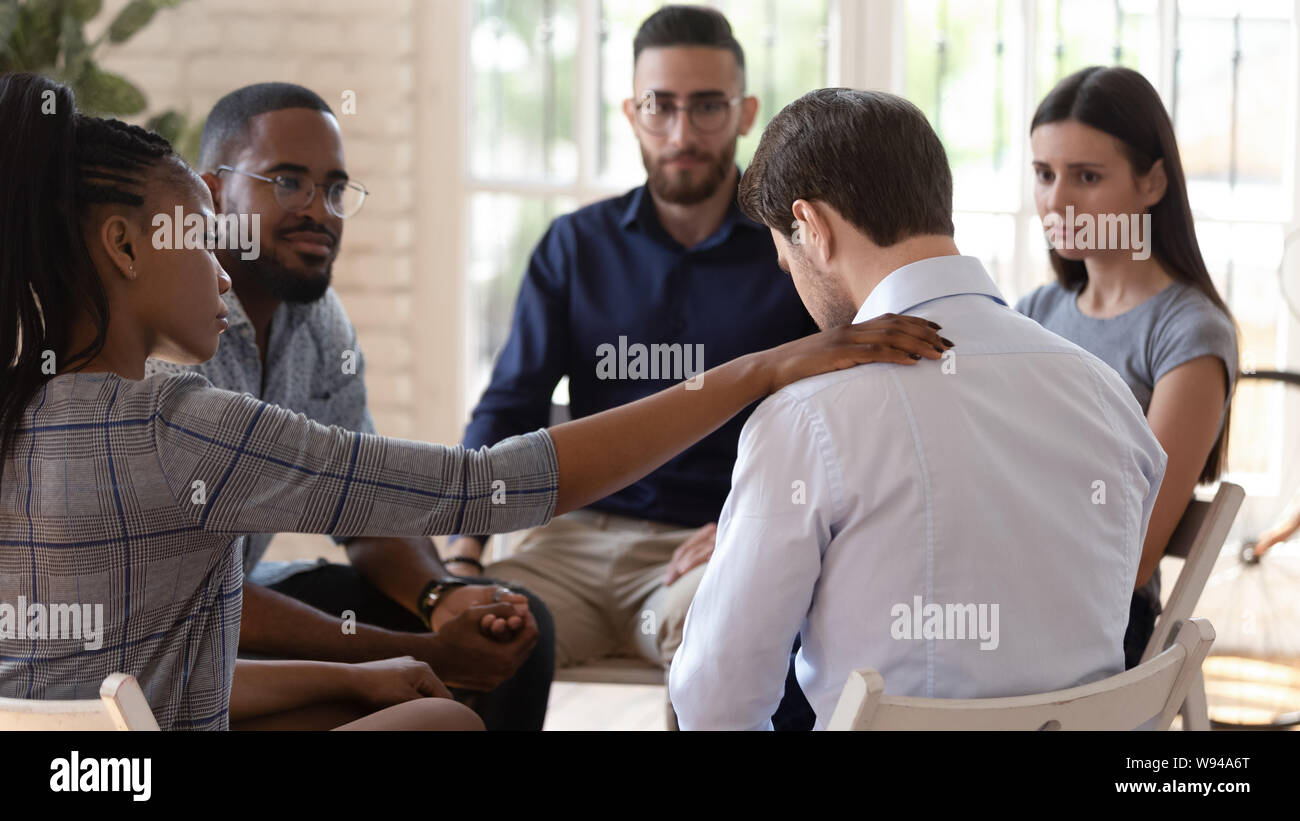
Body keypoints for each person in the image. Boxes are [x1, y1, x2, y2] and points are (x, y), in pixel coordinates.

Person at [0, 72, 948, 730]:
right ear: (125, 249)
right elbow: (489, 483)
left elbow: (141, 679)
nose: (215, 267)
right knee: (443, 722)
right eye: (197, 240)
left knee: (418, 690)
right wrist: (763, 368)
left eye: (336, 187)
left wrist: (385, 648)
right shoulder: (178, 421)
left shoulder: (26, 404)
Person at [668, 87, 1168, 730]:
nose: (791, 280)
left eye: (784, 255)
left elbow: (715, 698)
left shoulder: (806, 417)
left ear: (813, 229)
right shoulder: (1107, 397)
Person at [144, 82, 551, 730]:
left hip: (243, 600)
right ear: (212, 192)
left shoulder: (317, 321)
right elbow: (185, 592)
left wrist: (440, 596)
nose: (319, 210)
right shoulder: (162, 332)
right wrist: (412, 649)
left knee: (510, 630)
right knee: (432, 678)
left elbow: (362, 506)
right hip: (167, 639)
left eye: (334, 189)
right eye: (287, 181)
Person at [449, 4, 823, 684]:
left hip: (717, 543)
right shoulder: (574, 247)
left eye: (708, 106)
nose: (683, 132)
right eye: (661, 106)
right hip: (572, 544)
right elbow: (510, 407)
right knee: (470, 639)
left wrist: (770, 521)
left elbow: (846, 410)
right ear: (631, 113)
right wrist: (463, 552)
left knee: (735, 645)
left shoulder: (795, 254)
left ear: (745, 113)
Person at [1015, 66, 1238, 669]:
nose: (1056, 201)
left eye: (1086, 177)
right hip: (1007, 584)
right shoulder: (1035, 311)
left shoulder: (1188, 332)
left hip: (1098, 621)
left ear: (1152, 182)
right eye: (1044, 174)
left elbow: (1133, 554)